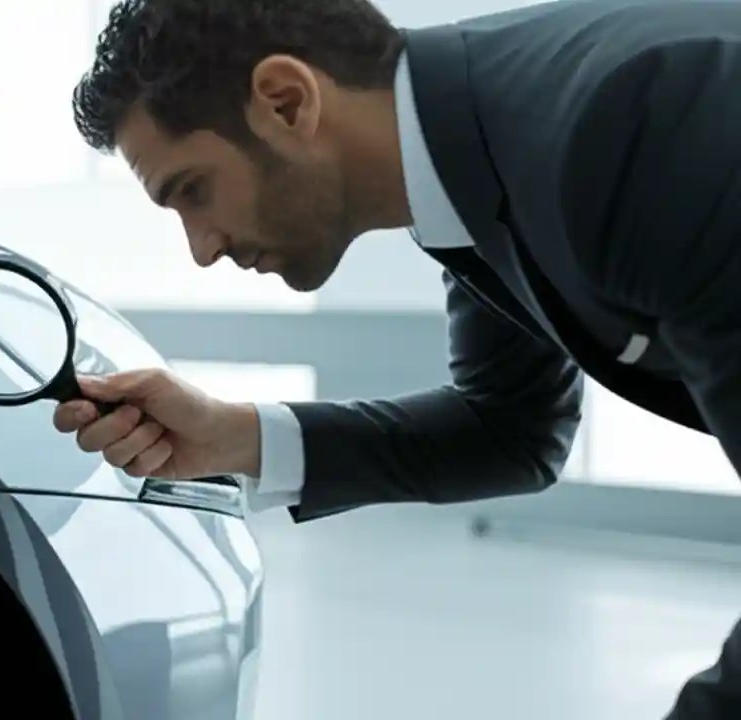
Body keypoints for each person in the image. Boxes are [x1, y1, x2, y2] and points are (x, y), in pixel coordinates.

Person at [52, 0, 741, 717]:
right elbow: (514, 428)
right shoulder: (472, 155)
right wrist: (237, 437)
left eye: (192, 191)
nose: (202, 247)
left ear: (286, 102)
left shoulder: (633, 118)